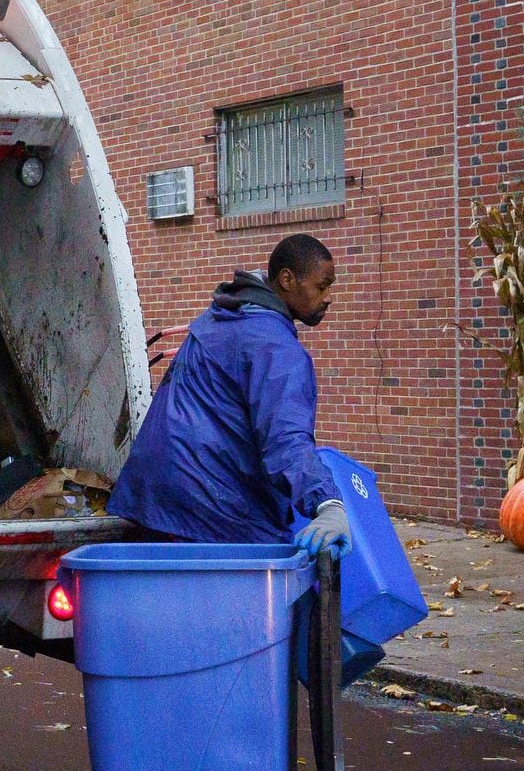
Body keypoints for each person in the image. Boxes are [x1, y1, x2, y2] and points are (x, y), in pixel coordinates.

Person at [108, 233, 354, 558]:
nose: (328, 297)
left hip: (152, 500)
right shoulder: (276, 348)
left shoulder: (219, 318)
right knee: (276, 581)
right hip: (215, 511)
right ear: (287, 280)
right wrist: (328, 502)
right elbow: (286, 441)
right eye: (322, 286)